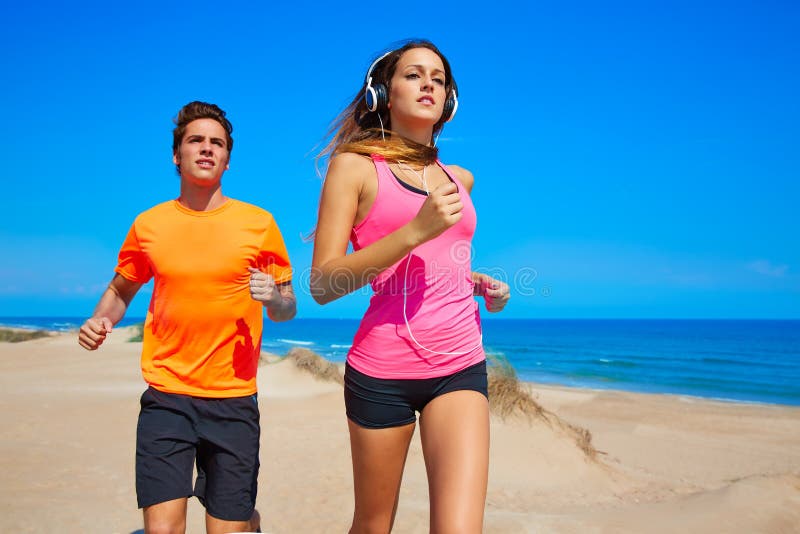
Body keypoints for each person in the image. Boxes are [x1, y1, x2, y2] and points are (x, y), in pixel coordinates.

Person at [311, 40, 511, 533]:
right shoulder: (354, 167)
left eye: (438, 79)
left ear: (450, 101)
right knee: (374, 525)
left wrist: (475, 281)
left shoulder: (459, 178)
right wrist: (414, 231)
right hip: (382, 373)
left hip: (460, 364)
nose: (428, 84)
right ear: (383, 92)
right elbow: (323, 282)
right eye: (413, 75)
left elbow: (441, 257)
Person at [78, 101, 296, 534]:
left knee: (227, 528)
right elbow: (122, 289)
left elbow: (287, 308)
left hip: (233, 399)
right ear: (177, 155)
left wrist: (274, 295)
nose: (206, 148)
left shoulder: (258, 223)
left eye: (216, 143)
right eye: (196, 140)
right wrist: (99, 320)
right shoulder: (149, 224)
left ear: (227, 160)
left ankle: (247, 521)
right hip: (166, 395)